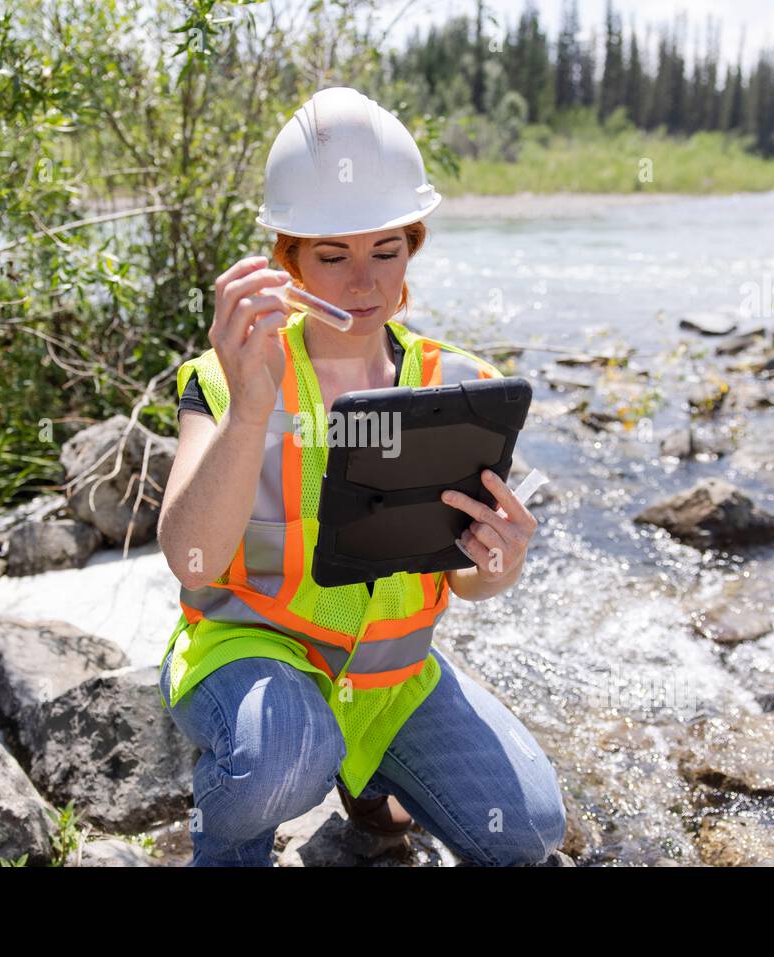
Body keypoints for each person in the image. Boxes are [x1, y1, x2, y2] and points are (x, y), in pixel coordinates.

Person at [156, 86, 567, 866]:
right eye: (333, 255)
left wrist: (500, 560)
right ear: (287, 260)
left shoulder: (460, 385)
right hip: (251, 662)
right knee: (278, 758)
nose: (365, 284)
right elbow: (193, 561)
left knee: (530, 831)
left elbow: (467, 581)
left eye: (386, 250)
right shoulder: (221, 377)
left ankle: (369, 781)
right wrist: (251, 406)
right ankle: (231, 825)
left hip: (391, 680)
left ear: (414, 245)